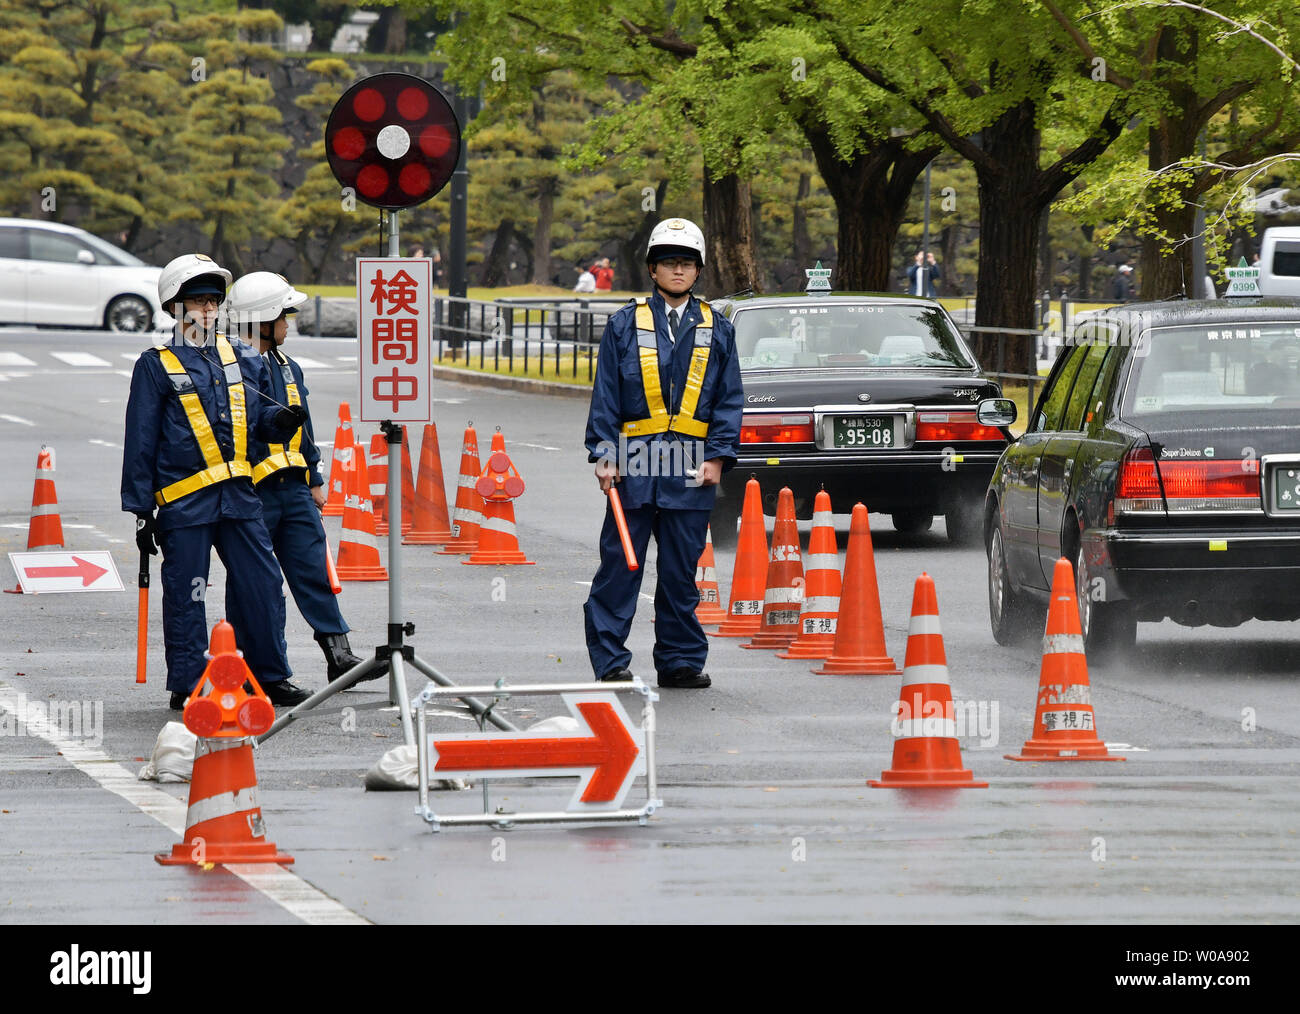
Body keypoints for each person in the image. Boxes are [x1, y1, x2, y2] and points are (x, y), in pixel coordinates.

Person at [123, 254, 314, 710]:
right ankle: (188, 682)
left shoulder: (243, 356)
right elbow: (141, 437)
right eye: (197, 302)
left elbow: (258, 421)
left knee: (262, 585)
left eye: (213, 301)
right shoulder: (155, 365)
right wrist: (140, 511)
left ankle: (269, 675)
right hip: (183, 503)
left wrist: (280, 420)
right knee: (188, 594)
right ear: (174, 308)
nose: (207, 310)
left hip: (240, 498)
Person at [583, 218, 743, 689]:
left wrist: (718, 455)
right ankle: (610, 661)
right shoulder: (623, 323)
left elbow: (729, 398)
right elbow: (606, 393)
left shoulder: (719, 328)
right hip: (633, 465)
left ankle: (680, 662)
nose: (678, 270)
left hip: (692, 467)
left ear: (698, 272)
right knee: (621, 566)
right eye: (670, 262)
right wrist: (604, 453)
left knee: (679, 572)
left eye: (687, 263)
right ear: (652, 269)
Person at [226, 271, 389, 686]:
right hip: (252, 493)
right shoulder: (230, 369)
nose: (289, 323)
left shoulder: (288, 366)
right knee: (256, 585)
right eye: (284, 315)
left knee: (314, 569)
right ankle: (258, 670)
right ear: (262, 320)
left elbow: (305, 426)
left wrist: (314, 477)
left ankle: (340, 656)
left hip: (294, 487)